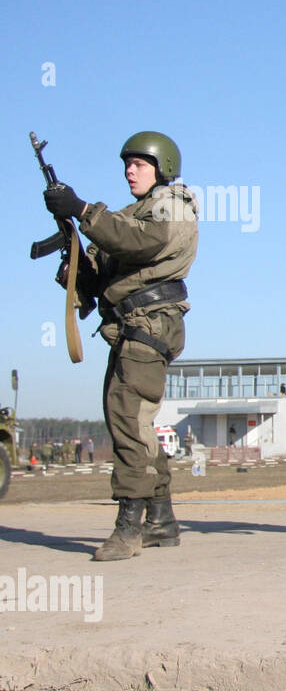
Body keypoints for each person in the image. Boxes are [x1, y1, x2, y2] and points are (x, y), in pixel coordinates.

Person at [42, 131, 197, 561]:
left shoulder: (171, 206)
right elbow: (112, 266)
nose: (129, 170)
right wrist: (79, 268)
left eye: (139, 164)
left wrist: (83, 211)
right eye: (126, 164)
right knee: (136, 425)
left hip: (148, 326)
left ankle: (128, 528)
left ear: (162, 168)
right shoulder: (135, 212)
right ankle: (161, 521)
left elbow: (141, 241)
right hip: (132, 325)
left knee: (128, 423)